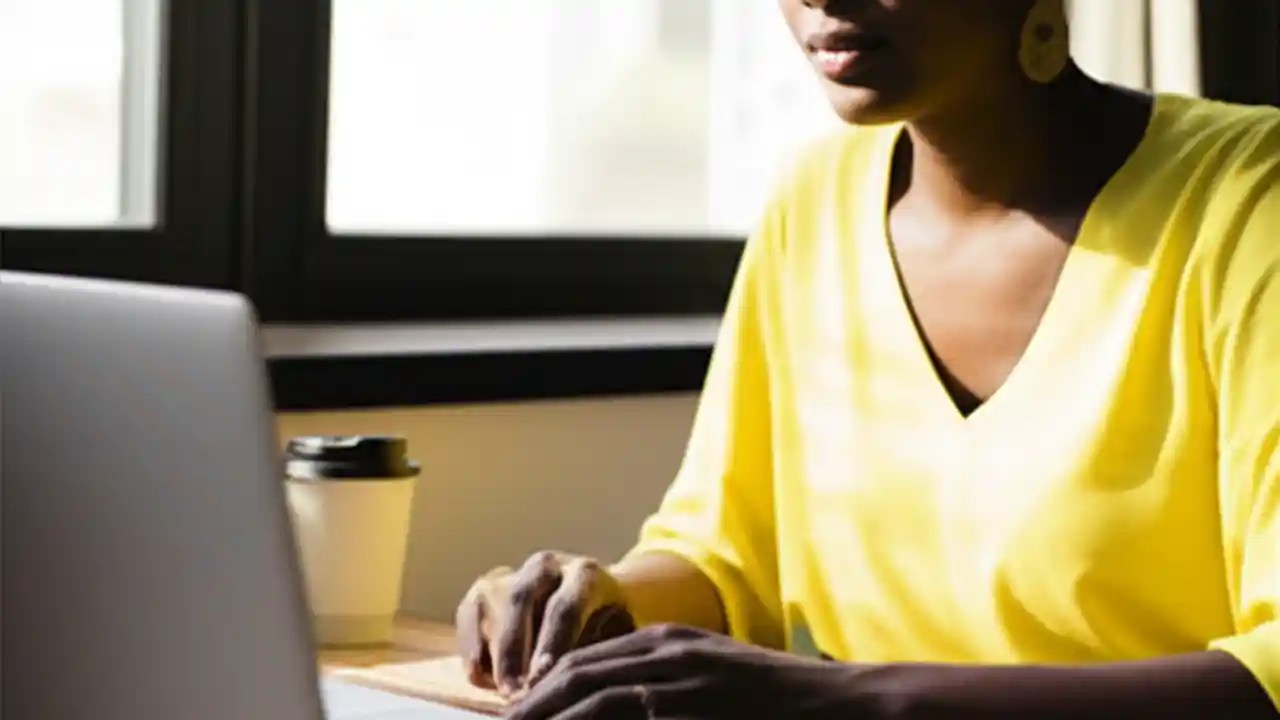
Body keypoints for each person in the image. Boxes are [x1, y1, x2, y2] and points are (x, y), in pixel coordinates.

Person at [458, 1, 1280, 717]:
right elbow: (724, 560)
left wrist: (840, 699)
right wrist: (591, 604)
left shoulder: (1248, 203)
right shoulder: (810, 206)